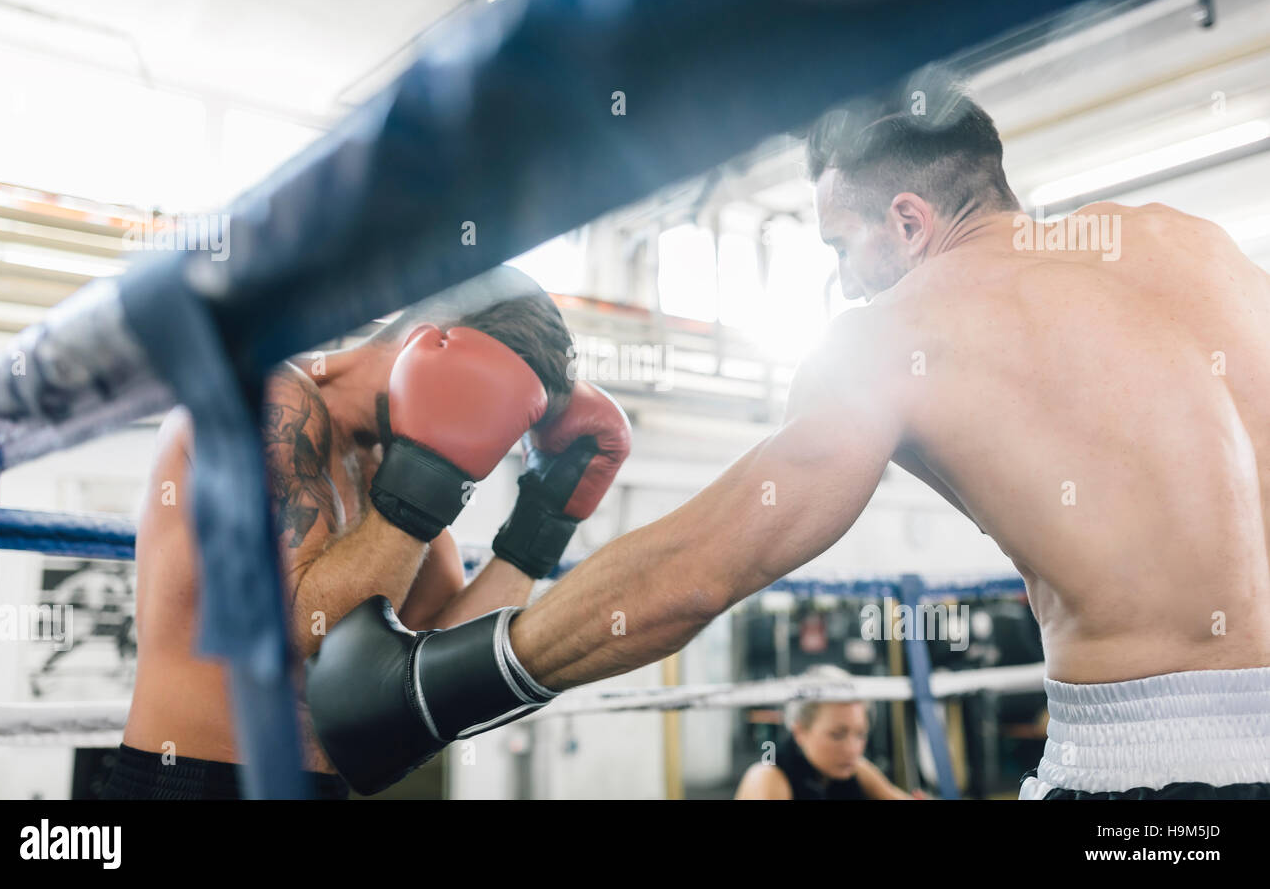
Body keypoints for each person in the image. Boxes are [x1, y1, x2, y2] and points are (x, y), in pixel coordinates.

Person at [307, 71, 1270, 800]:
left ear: (908, 218)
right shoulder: (1196, 246)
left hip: (1146, 783)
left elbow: (696, 573)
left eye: (841, 249)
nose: (846, 284)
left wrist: (431, 690)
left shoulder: (893, 336)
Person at [103, 266, 631, 799]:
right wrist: (424, 486)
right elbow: (308, 629)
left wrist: (537, 530)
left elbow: (438, 656)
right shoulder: (272, 399)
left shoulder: (395, 470)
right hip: (188, 783)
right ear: (429, 345)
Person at [735, 666, 916, 800]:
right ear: (800, 732)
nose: (852, 749)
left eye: (860, 734)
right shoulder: (767, 778)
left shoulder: (854, 768)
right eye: (837, 735)